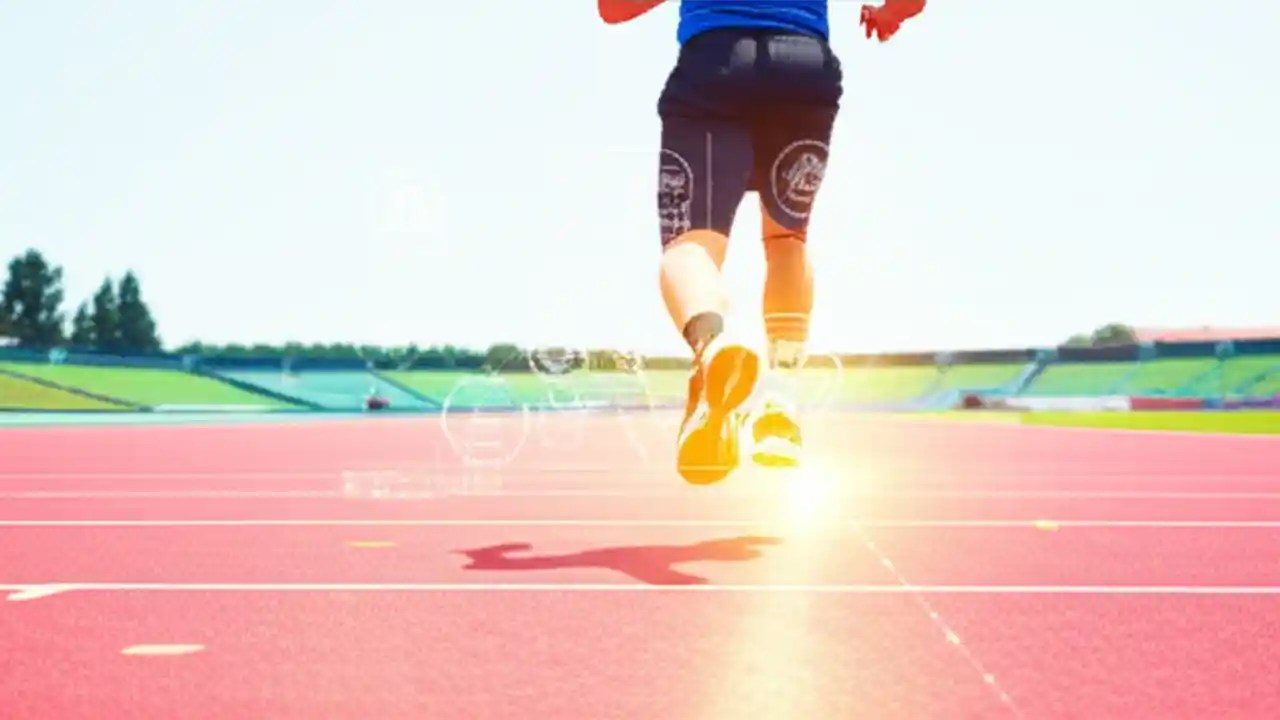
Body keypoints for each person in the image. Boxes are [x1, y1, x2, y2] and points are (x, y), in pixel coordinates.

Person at [603, 0, 926, 484]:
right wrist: (889, 15)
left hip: (714, 68)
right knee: (787, 238)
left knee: (690, 244)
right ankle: (779, 401)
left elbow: (613, 9)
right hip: (803, 70)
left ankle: (714, 347)